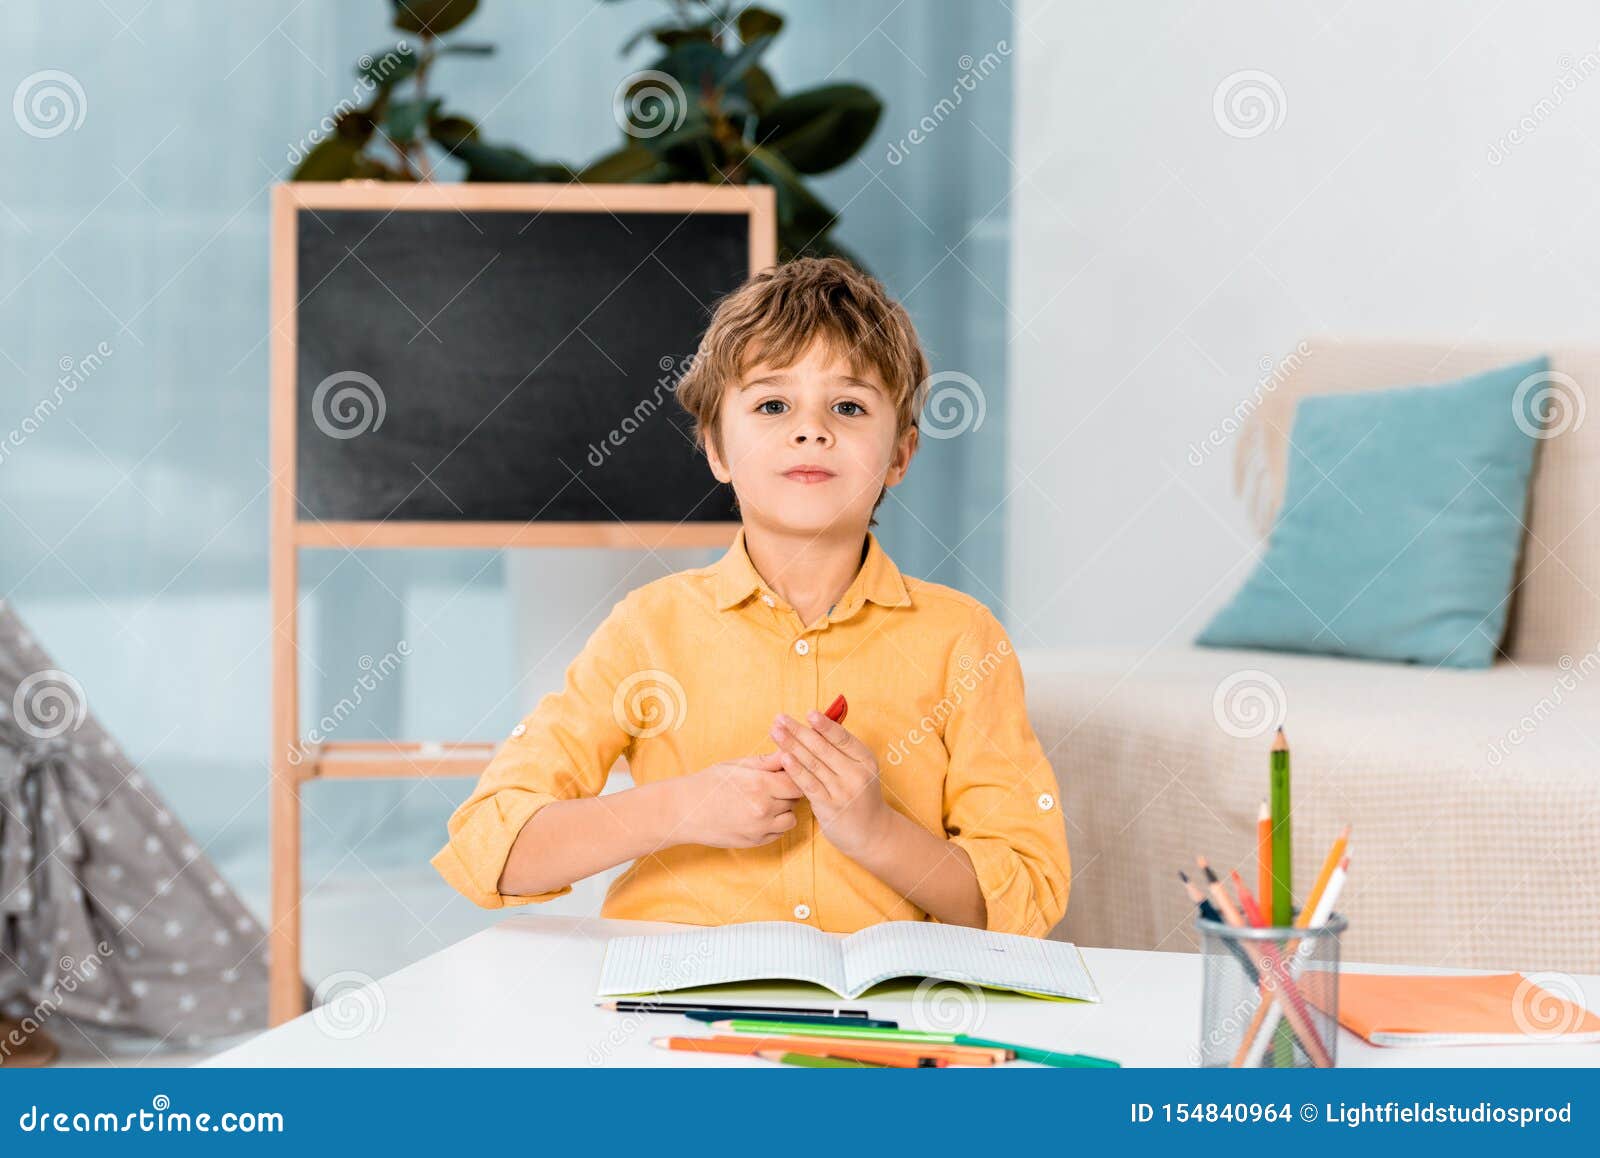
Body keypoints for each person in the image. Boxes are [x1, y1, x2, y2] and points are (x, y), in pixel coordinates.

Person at [430, 256, 1069, 936]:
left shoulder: (962, 640)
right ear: (716, 449)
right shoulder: (648, 629)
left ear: (900, 455)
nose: (811, 430)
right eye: (772, 404)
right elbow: (490, 850)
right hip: (671, 1009)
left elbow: (1027, 899)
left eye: (848, 407)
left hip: (875, 1025)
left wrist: (876, 832)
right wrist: (681, 807)